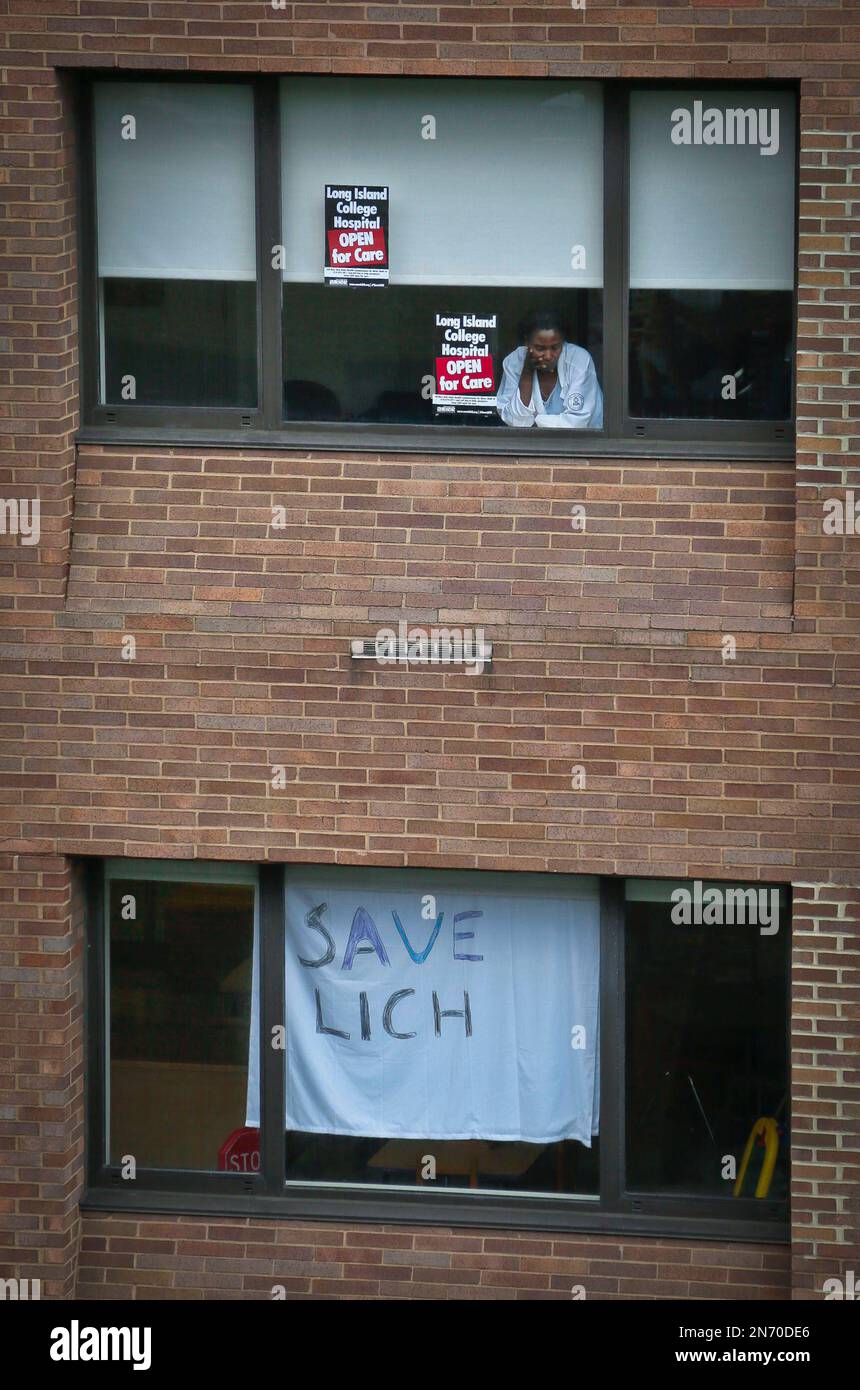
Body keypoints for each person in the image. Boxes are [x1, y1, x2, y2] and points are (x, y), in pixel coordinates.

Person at [496, 310, 603, 429]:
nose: (548, 355)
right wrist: (527, 370)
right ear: (527, 343)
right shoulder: (514, 363)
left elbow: (576, 422)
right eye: (540, 348)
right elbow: (514, 420)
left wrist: (534, 422)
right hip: (529, 443)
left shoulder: (579, 360)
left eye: (555, 347)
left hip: (582, 443)